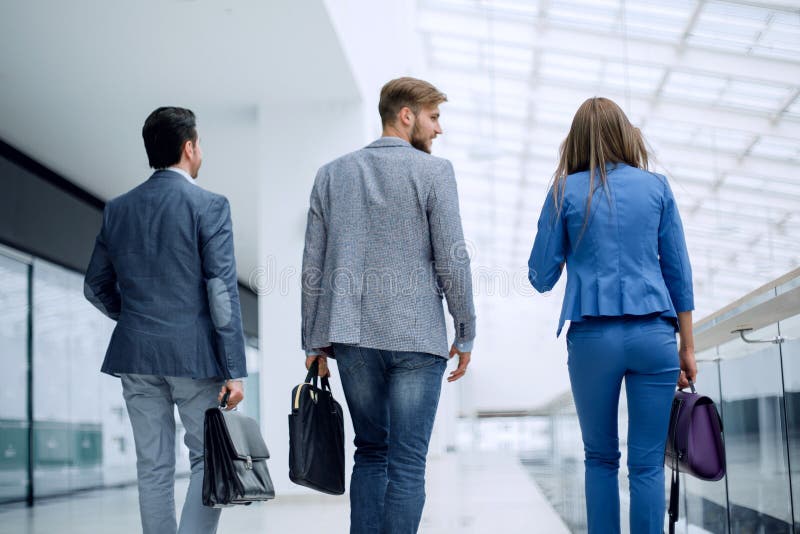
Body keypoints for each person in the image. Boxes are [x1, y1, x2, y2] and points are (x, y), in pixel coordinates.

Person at [301, 76, 476, 534]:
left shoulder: (332, 174)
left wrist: (313, 342)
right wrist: (465, 330)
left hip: (353, 338)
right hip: (417, 339)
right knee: (407, 463)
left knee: (371, 452)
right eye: (433, 117)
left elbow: (312, 267)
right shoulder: (435, 173)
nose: (438, 129)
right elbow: (452, 257)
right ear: (406, 115)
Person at [527, 97, 697, 534]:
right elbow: (678, 270)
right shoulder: (656, 187)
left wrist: (569, 245)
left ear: (575, 140)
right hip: (655, 337)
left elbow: (541, 276)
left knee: (600, 458)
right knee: (646, 465)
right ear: (626, 134)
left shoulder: (564, 191)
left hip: (593, 342)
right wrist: (688, 346)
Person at [84, 107, 247, 534]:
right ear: (189, 146)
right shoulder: (209, 205)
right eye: (199, 143)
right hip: (193, 355)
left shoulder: (118, 209)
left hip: (136, 354)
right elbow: (221, 293)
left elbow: (95, 286)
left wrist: (136, 316)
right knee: (208, 459)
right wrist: (234, 370)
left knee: (152, 466)